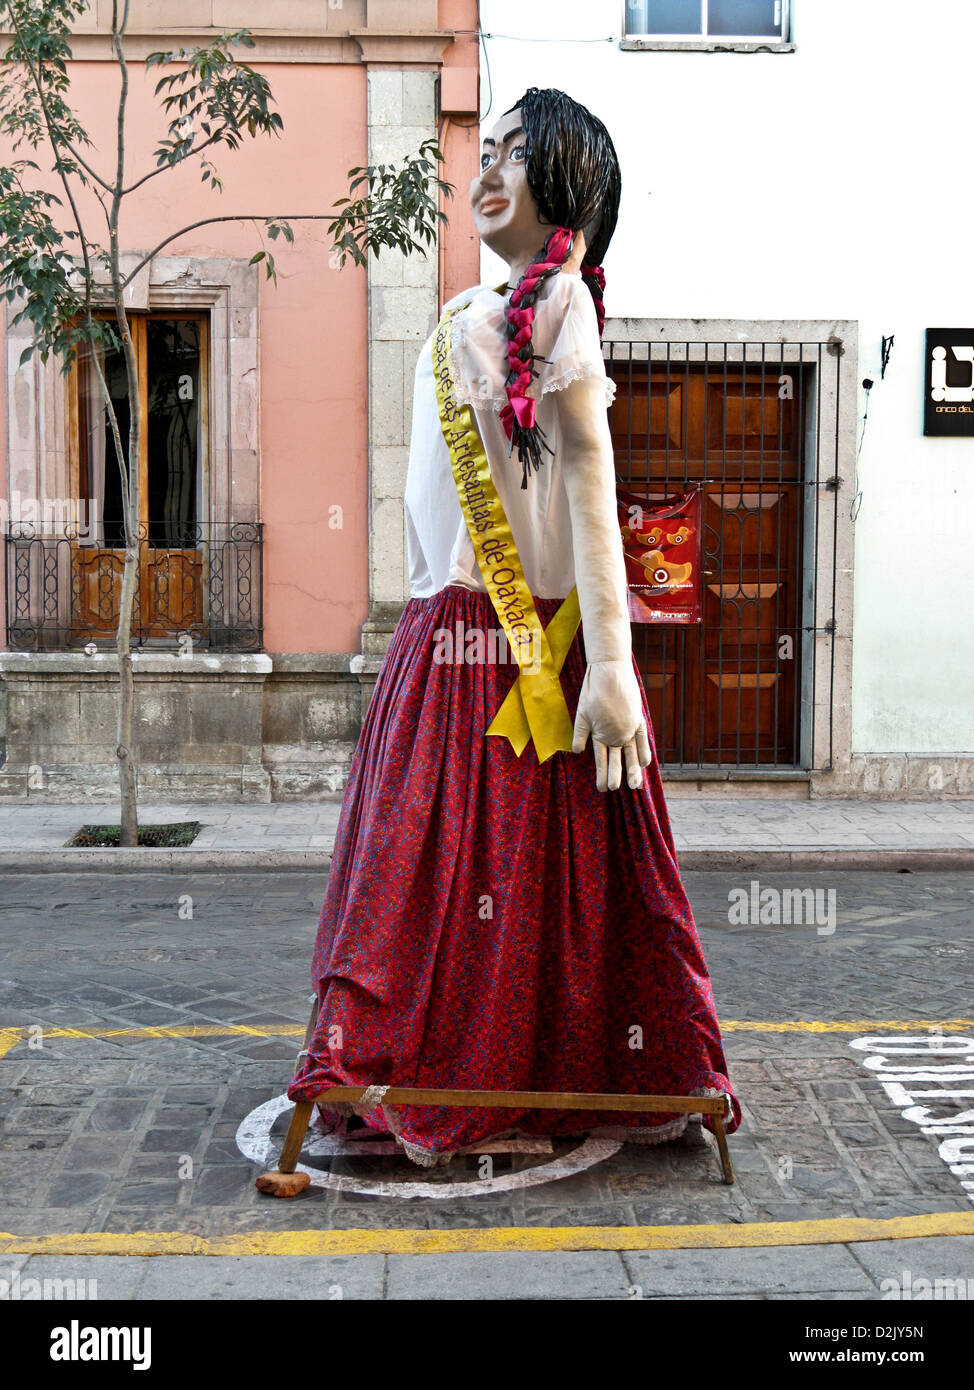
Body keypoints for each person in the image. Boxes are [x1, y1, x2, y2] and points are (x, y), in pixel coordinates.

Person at [287, 86, 741, 1167]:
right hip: (446, 638)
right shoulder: (469, 311)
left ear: (568, 186)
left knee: (506, 871)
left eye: (515, 155)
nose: (485, 171)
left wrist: (613, 664)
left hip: (531, 644)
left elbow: (589, 477)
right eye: (483, 150)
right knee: (430, 869)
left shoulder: (560, 303)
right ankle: (422, 1057)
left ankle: (510, 1063)